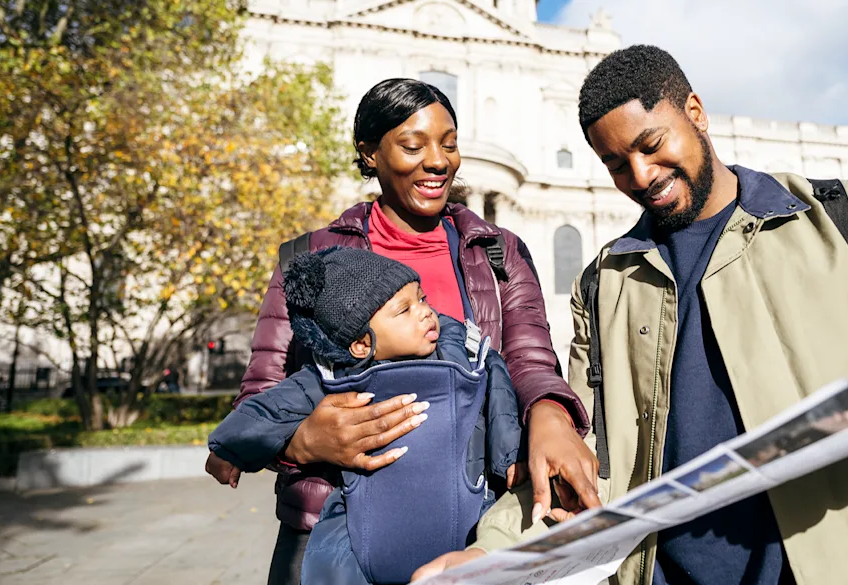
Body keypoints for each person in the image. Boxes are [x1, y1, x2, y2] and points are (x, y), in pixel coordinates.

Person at [414, 45, 848, 585]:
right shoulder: (604, 281)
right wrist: (489, 554)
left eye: (652, 143)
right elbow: (576, 450)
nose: (640, 174)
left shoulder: (839, 216)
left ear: (695, 112)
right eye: (615, 164)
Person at [204, 78, 600, 585]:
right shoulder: (309, 262)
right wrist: (301, 443)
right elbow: (261, 395)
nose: (438, 161)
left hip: (476, 528)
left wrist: (550, 416)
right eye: (413, 146)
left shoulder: (497, 252)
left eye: (450, 144)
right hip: (334, 532)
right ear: (369, 153)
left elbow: (528, 362)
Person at [208, 246, 521, 585]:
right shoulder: (335, 377)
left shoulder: (459, 349)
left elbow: (498, 388)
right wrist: (231, 446)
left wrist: (509, 459)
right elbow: (274, 406)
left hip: (465, 522)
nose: (426, 313)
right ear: (360, 344)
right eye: (404, 310)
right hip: (366, 532)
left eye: (423, 299)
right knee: (332, 558)